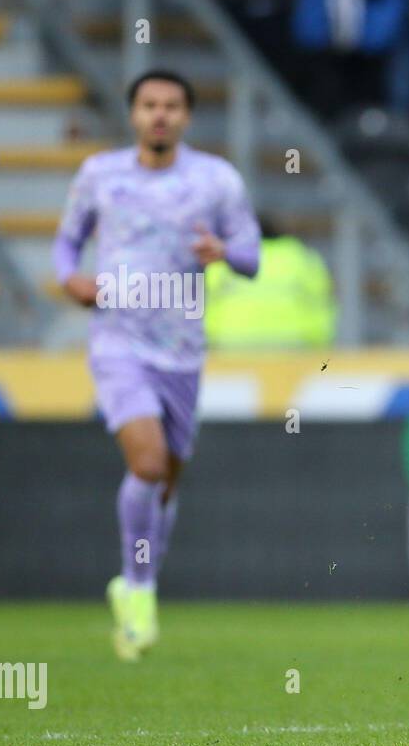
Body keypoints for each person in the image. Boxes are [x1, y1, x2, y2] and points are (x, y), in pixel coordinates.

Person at [53, 69, 260, 661]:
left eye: (171, 105)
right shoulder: (100, 174)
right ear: (134, 114)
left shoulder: (216, 180)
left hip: (183, 351)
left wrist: (224, 252)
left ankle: (137, 582)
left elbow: (252, 256)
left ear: (187, 116)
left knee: (167, 479)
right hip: (118, 340)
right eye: (149, 105)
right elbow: (67, 242)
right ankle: (139, 590)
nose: (160, 115)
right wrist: (71, 279)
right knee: (146, 464)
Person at [203, 214, 336, 349]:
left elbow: (203, 302)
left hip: (232, 342)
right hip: (292, 342)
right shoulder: (300, 256)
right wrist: (319, 342)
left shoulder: (225, 258)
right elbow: (321, 302)